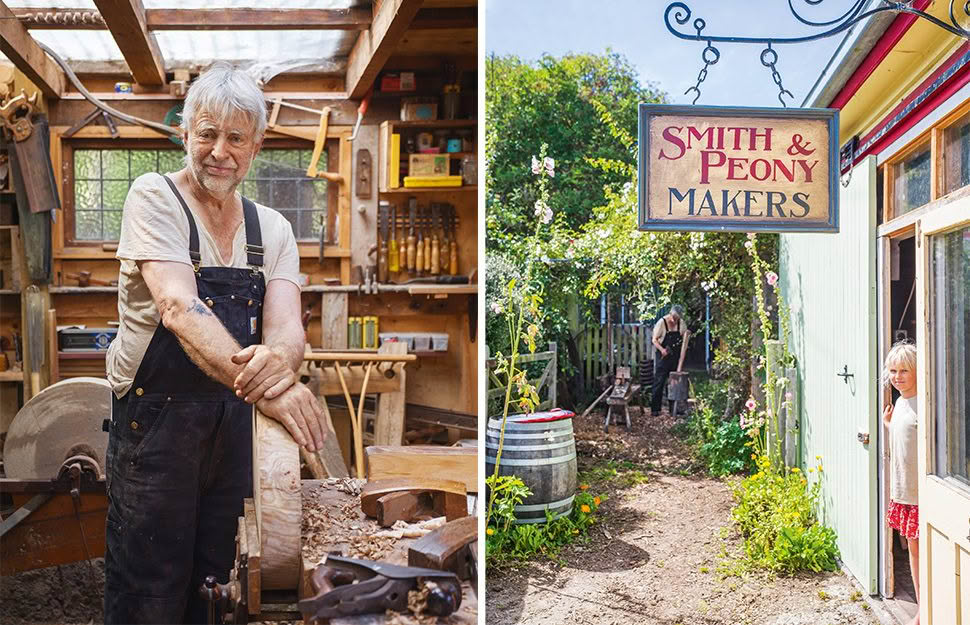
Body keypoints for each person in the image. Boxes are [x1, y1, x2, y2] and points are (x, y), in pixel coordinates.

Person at [103, 63, 325, 624]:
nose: (218, 150)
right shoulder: (153, 197)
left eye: (234, 137)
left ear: (257, 144)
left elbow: (287, 331)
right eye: (206, 133)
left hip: (235, 429)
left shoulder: (271, 228)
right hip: (154, 427)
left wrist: (281, 365)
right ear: (185, 134)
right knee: (149, 589)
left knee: (221, 584)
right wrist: (274, 393)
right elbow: (179, 307)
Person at [882, 341, 920, 625]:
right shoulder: (901, 402)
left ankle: (924, 611)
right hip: (905, 492)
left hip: (922, 495)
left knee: (923, 554)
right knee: (914, 555)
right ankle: (924, 607)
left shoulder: (924, 402)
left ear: (918, 371)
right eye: (893, 370)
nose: (897, 377)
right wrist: (888, 425)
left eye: (904, 370)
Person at [650, 304, 689, 416]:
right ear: (670, 314)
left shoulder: (681, 323)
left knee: (673, 383)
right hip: (663, 357)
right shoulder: (661, 323)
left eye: (676, 318)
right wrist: (662, 350)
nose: (674, 320)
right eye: (673, 317)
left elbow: (684, 336)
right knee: (659, 382)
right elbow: (654, 340)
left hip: (675, 357)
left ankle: (673, 409)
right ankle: (655, 409)